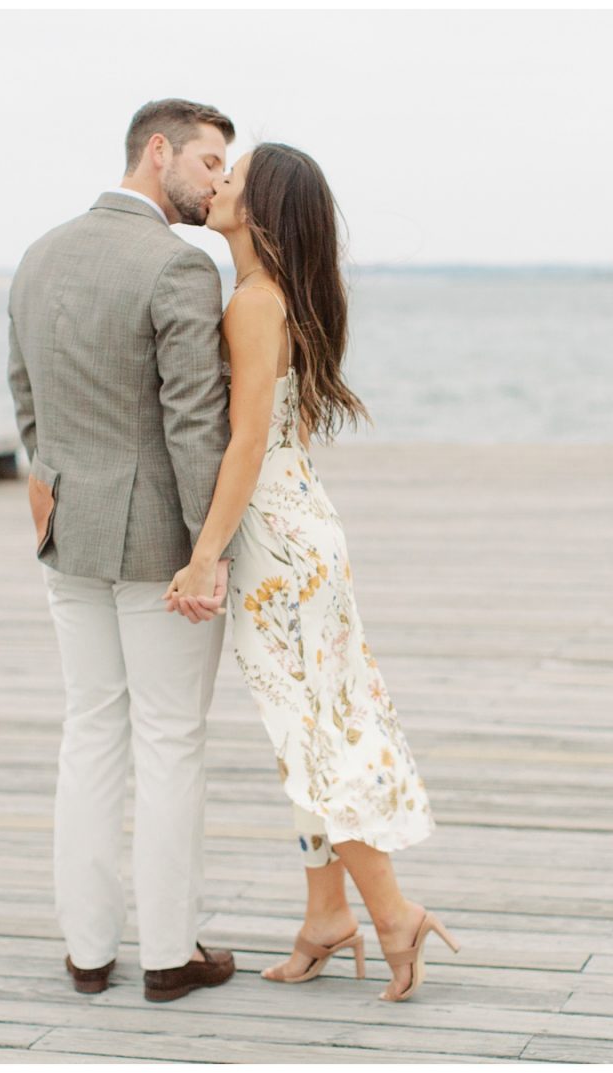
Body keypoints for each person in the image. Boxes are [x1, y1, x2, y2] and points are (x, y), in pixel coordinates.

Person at [162, 142, 459, 1002]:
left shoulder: (255, 304)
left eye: (234, 178)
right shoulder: (274, 297)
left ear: (262, 211)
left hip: (276, 548)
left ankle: (393, 913)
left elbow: (245, 442)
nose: (217, 185)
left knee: (313, 743)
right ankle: (326, 916)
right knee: (313, 736)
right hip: (307, 532)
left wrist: (203, 555)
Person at [6, 98, 242, 1003]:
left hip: (66, 532)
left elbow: (26, 399)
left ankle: (89, 950)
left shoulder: (39, 255)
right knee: (171, 738)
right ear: (158, 151)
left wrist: (56, 491)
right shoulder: (178, 268)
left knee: (90, 732)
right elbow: (194, 424)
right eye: (211, 161)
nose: (219, 180)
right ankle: (171, 955)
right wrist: (207, 550)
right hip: (159, 546)